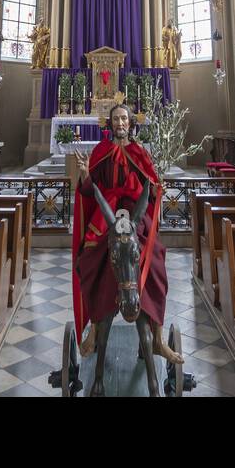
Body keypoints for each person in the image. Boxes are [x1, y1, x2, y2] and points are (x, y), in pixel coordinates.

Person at [72, 103, 182, 364]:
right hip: (106, 212)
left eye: (124, 119)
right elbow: (89, 192)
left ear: (131, 124)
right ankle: (97, 327)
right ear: (110, 125)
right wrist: (86, 174)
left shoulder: (139, 152)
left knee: (154, 258)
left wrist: (156, 191)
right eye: (116, 120)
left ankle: (156, 338)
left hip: (135, 213)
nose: (120, 123)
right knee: (91, 257)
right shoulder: (100, 151)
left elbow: (150, 186)